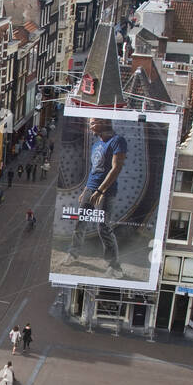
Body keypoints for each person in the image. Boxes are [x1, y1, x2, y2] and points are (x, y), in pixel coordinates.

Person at [79, 118, 128, 277]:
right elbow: (95, 170)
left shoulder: (117, 141)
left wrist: (100, 191)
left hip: (106, 191)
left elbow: (117, 168)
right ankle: (73, 253)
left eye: (93, 123)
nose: (90, 126)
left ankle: (115, 266)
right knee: (81, 221)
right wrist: (86, 189)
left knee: (103, 227)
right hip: (90, 188)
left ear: (104, 122)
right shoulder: (96, 144)